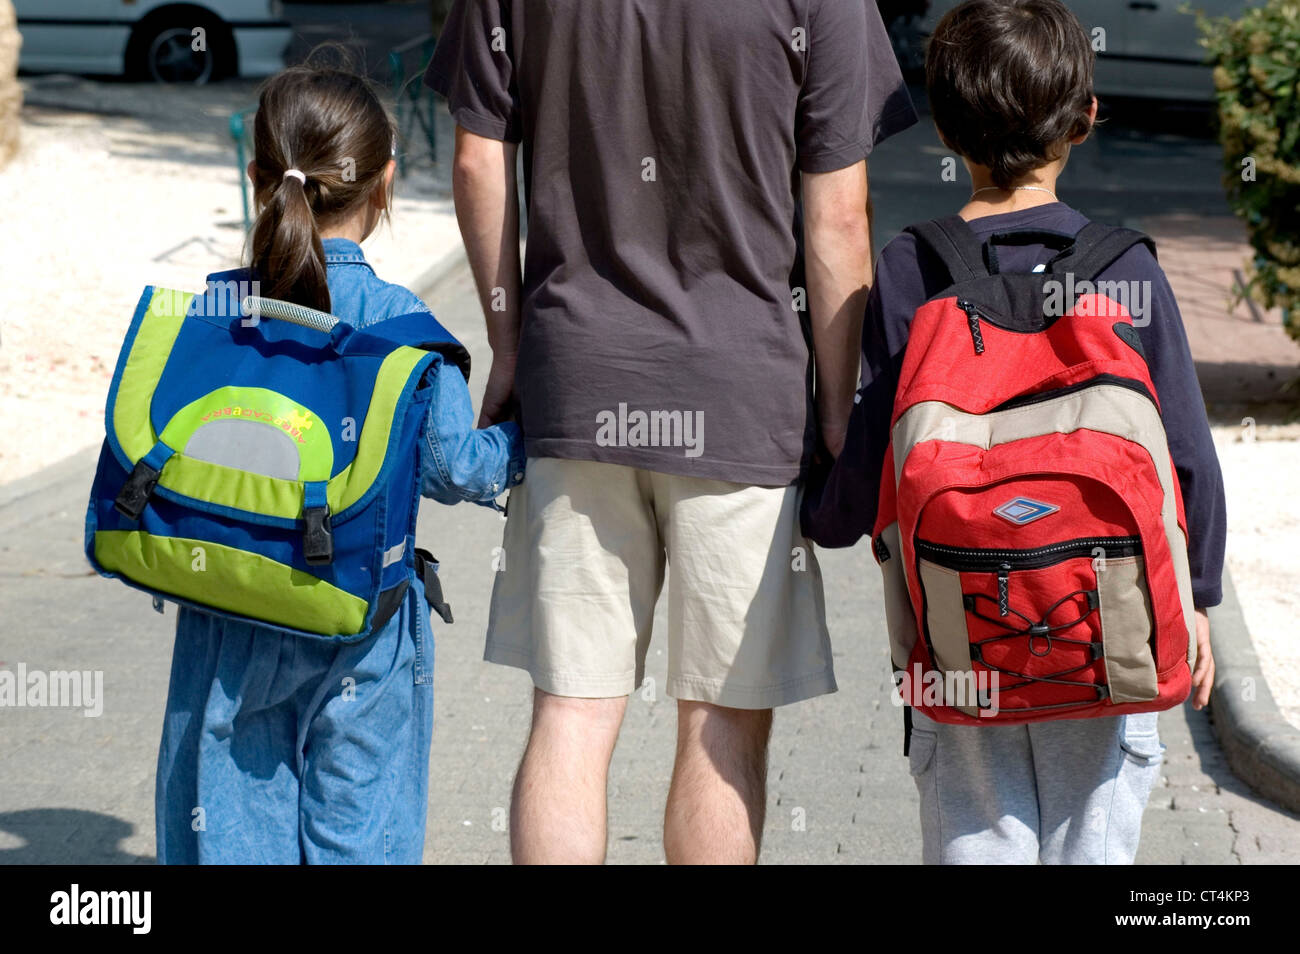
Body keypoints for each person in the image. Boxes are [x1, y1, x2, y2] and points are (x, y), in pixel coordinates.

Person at [427, 0, 917, 864]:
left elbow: (476, 158)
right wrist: (839, 410)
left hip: (574, 385)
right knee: (720, 719)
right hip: (743, 396)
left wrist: (507, 340)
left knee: (571, 710)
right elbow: (839, 214)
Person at [802, 0, 1226, 864]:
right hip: (1114, 632)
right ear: (1086, 119)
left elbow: (877, 444)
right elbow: (1186, 455)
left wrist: (824, 512)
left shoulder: (911, 266)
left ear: (945, 133)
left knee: (974, 841)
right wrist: (1201, 598)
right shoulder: (1128, 268)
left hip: (957, 634)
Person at [154, 62, 524, 864]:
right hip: (363, 620)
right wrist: (524, 441)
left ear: (259, 178)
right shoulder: (401, 324)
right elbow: (458, 469)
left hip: (229, 607)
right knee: (360, 827)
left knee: (231, 820)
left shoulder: (214, 310)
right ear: (385, 182)